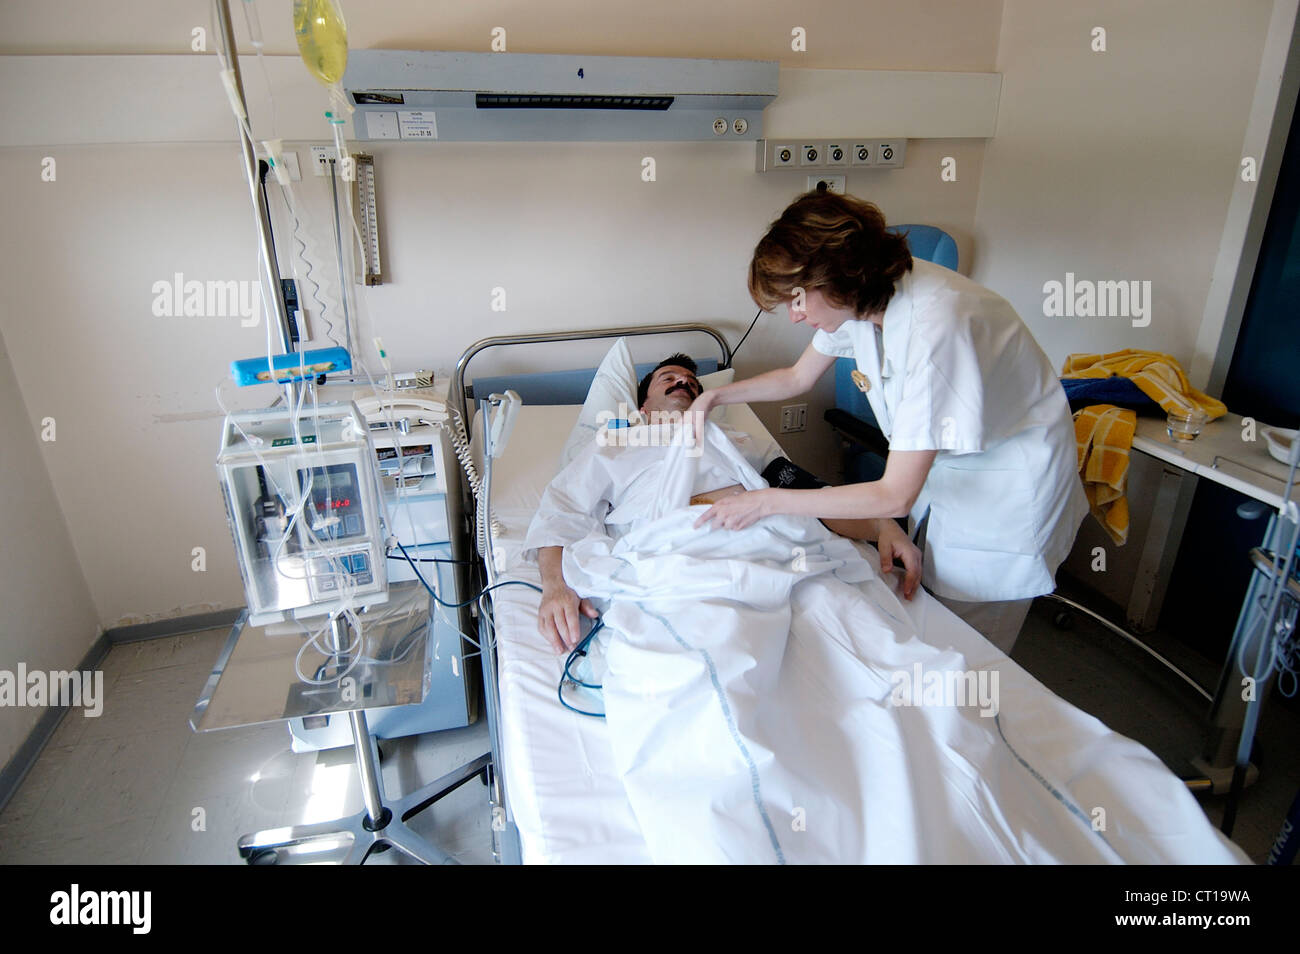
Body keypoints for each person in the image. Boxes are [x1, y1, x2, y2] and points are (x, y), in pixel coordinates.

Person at [689, 191, 1088, 654]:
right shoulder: (863, 305)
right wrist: (715, 394)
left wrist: (764, 503)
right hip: (952, 477)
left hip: (1007, 500)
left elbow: (896, 494)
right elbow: (797, 377)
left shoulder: (935, 326)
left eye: (797, 299)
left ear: (836, 278)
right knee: (929, 620)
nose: (795, 315)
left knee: (974, 658)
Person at [527, 353, 922, 653]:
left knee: (842, 622)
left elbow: (803, 492)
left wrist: (879, 525)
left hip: (765, 538)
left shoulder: (735, 440)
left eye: (691, 382)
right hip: (673, 546)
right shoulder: (615, 443)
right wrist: (555, 586)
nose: (683, 381)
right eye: (669, 378)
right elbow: (562, 509)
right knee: (717, 637)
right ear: (643, 407)